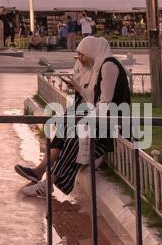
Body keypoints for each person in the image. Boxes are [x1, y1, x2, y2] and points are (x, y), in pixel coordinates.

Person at [17, 35, 130, 198]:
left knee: (76, 133)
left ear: (91, 52)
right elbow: (94, 99)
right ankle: (42, 174)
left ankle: (47, 183)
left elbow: (106, 103)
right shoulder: (100, 66)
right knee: (67, 126)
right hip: (103, 120)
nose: (80, 59)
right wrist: (79, 90)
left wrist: (83, 119)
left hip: (114, 123)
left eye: (82, 55)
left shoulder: (109, 67)